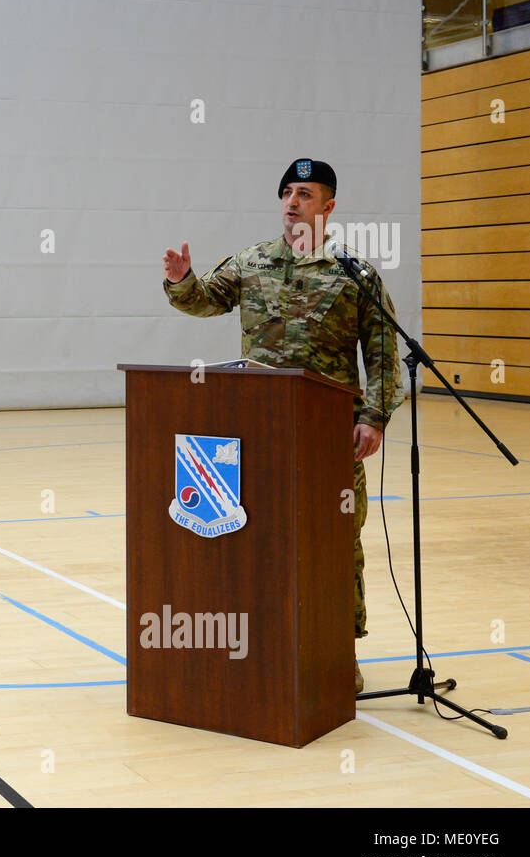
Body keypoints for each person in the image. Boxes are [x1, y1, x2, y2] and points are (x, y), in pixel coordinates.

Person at [161, 158, 403, 693]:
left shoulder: (353, 274)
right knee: (256, 538)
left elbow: (384, 354)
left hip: (328, 435)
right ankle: (262, 645)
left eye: (306, 194)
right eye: (288, 192)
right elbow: (205, 300)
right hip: (257, 434)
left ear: (329, 207)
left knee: (336, 543)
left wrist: (374, 417)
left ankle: (339, 652)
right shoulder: (251, 262)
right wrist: (181, 281)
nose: (293, 202)